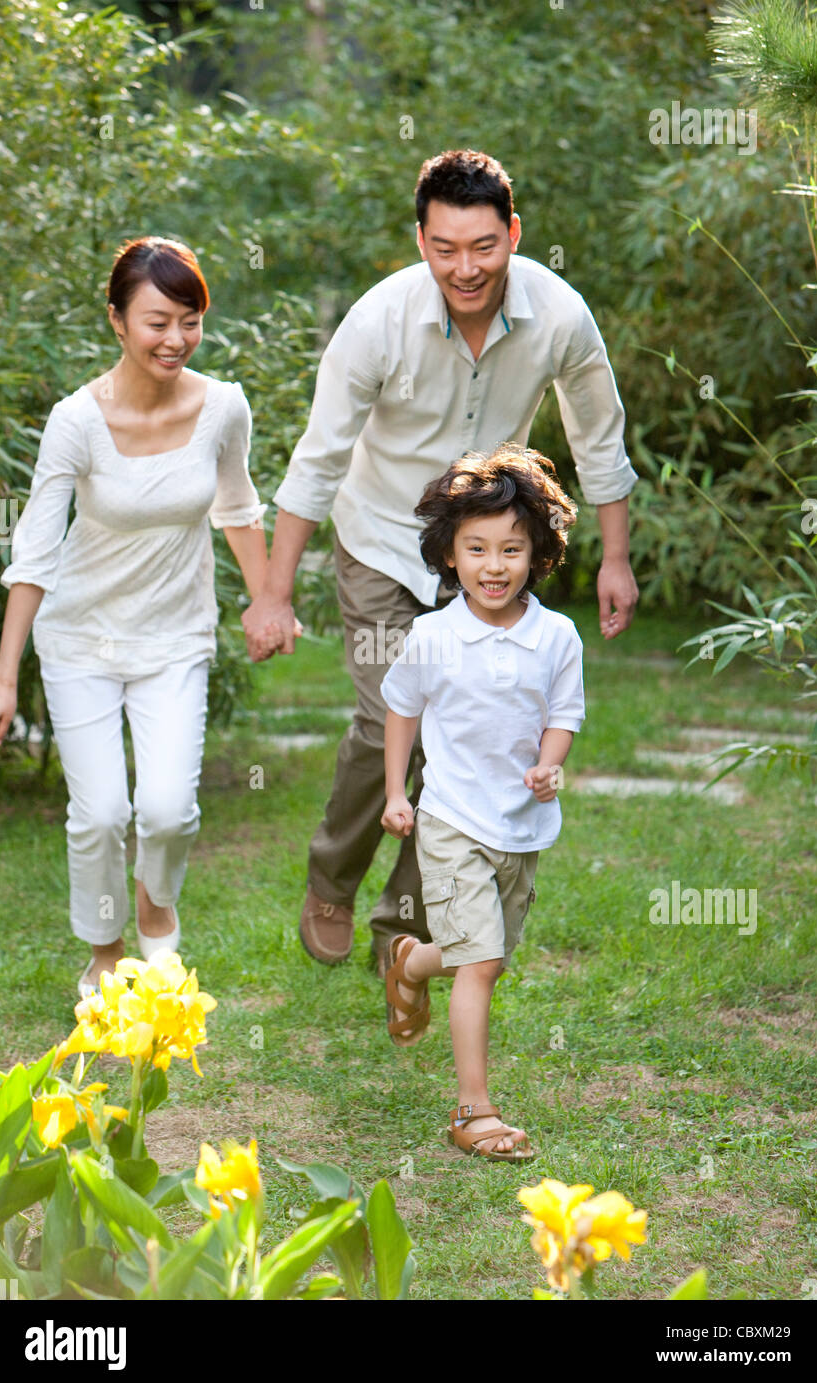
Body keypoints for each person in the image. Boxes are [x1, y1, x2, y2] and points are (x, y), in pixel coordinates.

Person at [241, 148, 636, 973]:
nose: (467, 267)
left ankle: (404, 927)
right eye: (446, 247)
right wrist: (274, 594)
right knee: (390, 720)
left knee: (466, 734)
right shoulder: (379, 320)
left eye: (485, 246)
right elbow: (317, 462)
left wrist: (616, 560)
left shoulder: (560, 316)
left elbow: (600, 441)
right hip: (383, 540)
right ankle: (331, 879)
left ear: (514, 234)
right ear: (421, 240)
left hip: (481, 551)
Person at [0, 236, 285, 998]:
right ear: (116, 321)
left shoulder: (222, 407)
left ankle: (157, 910)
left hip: (175, 635)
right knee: (102, 813)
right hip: (80, 635)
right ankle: (107, 953)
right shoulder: (76, 421)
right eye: (157, 322)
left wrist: (265, 599)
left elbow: (238, 508)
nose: (175, 339)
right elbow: (36, 552)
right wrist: (4, 681)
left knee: (169, 810)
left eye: (190, 321)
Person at [379, 443, 584, 1160]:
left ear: (538, 554)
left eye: (511, 550)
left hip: (521, 825)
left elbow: (564, 715)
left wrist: (547, 767)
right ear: (449, 555)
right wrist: (395, 791)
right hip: (450, 817)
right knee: (483, 964)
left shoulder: (557, 637)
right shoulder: (433, 637)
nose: (493, 566)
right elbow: (400, 710)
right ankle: (474, 1112)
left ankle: (408, 963)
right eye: (476, 549)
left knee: (482, 952)